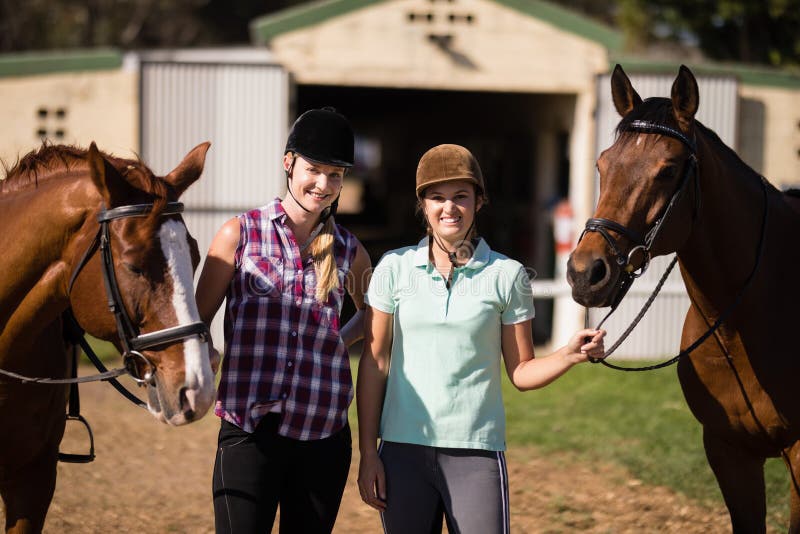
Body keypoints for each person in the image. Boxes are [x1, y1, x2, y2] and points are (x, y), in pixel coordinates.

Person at [356, 144, 606, 534]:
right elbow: (375, 363)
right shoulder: (394, 268)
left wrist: (570, 354)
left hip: (477, 452)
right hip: (402, 450)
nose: (449, 208)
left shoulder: (508, 275)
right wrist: (368, 452)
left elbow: (521, 371)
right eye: (437, 197)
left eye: (461, 197)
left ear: (479, 201)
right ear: (422, 204)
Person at [195, 107, 371, 534]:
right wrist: (209, 350)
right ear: (289, 163)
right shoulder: (239, 234)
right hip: (248, 428)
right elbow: (198, 321)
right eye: (314, 170)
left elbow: (373, 314)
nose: (324, 185)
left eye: (335, 175)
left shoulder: (350, 251)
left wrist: (337, 341)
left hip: (323, 431)